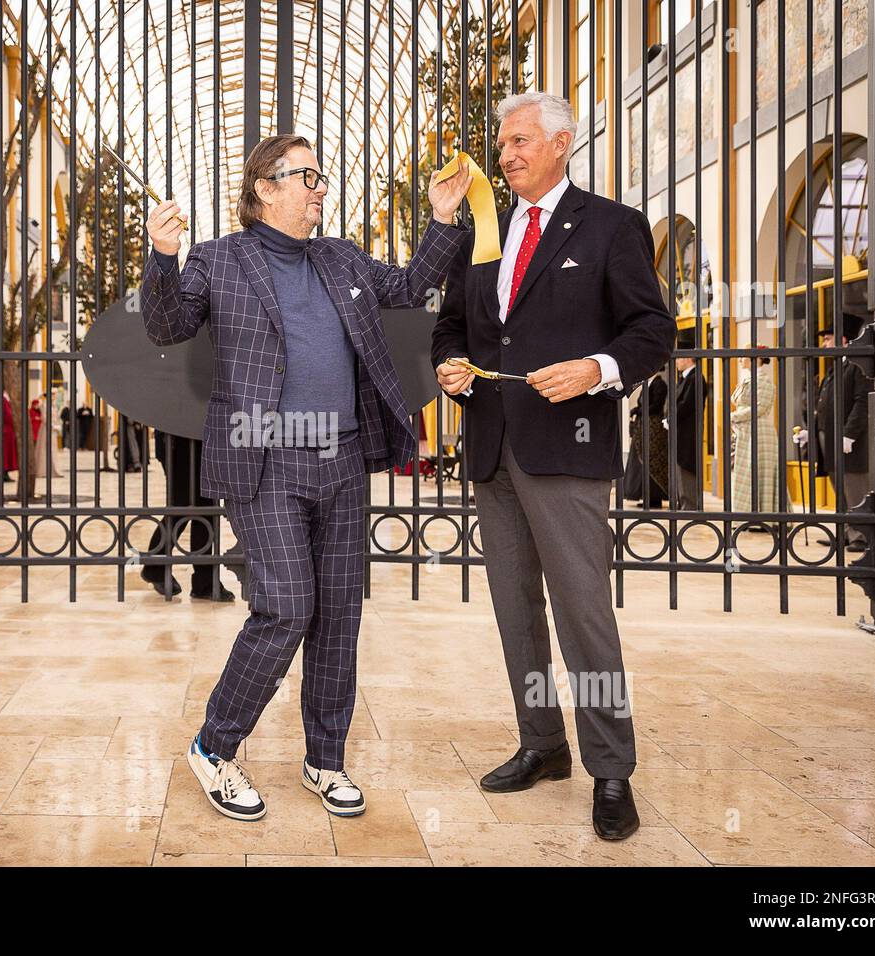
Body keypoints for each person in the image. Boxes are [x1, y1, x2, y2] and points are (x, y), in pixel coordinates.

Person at [143, 132, 471, 821]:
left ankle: (325, 759)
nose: (320, 187)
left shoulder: (341, 257)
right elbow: (167, 326)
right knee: (288, 605)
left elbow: (411, 288)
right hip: (264, 456)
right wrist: (163, 257)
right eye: (307, 176)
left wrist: (442, 219)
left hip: (344, 459)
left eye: (321, 176)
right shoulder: (219, 259)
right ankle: (214, 745)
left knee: (339, 617)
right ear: (265, 187)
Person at [431, 92, 673, 841]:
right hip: (492, 445)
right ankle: (542, 743)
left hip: (567, 448)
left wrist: (596, 369)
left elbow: (651, 331)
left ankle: (611, 769)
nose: (506, 155)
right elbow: (452, 324)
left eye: (521, 141)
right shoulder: (486, 233)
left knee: (583, 617)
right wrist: (449, 365)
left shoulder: (610, 226)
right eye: (501, 144)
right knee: (516, 614)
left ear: (562, 143)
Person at [797, 315, 870, 551]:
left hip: (847, 440)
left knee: (853, 488)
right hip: (826, 437)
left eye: (828, 340)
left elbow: (862, 403)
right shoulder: (836, 367)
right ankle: (845, 533)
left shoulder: (857, 367)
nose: (824, 345)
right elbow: (824, 403)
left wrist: (850, 434)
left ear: (843, 340)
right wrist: (811, 430)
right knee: (839, 488)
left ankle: (860, 536)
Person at [140, 429, 235, 601]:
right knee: (183, 506)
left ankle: (203, 580)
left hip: (200, 438)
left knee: (204, 508)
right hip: (179, 439)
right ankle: (156, 567)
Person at [731, 350, 779, 522]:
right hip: (746, 433)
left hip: (759, 433)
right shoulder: (748, 378)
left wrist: (733, 416)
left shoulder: (763, 380)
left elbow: (761, 407)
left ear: (757, 359)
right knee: (746, 474)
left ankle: (762, 517)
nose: (740, 360)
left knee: (757, 473)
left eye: (743, 356)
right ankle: (747, 516)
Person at [667, 348, 707, 511]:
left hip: (688, 431)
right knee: (679, 465)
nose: (676, 361)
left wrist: (670, 418)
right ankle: (681, 501)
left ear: (689, 358)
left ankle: (689, 503)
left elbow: (686, 404)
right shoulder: (685, 378)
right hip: (680, 430)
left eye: (679, 358)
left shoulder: (696, 378)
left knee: (686, 465)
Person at [622, 369, 666, 507]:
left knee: (652, 460)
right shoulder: (648, 383)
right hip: (644, 426)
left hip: (653, 428)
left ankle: (654, 498)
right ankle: (645, 496)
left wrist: (638, 411)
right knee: (641, 460)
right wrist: (637, 410)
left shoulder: (660, 384)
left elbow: (656, 406)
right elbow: (643, 404)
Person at [0, 389, 18, 481]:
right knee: (5, 454)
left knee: (5, 454)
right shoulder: (3, 401)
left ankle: (5, 473)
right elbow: (8, 416)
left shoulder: (2, 401)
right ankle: (4, 473)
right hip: (5, 431)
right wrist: (16, 423)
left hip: (5, 430)